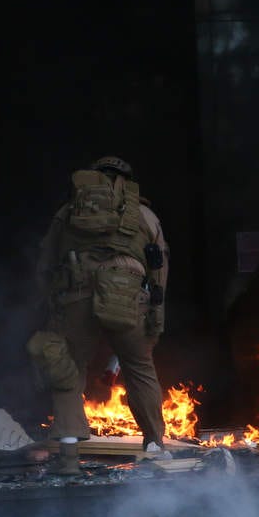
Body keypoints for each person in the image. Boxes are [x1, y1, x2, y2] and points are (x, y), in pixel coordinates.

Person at [26, 157, 169, 476]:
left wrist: (51, 302)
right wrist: (155, 319)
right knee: (140, 368)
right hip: (130, 297)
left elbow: (45, 263)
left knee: (68, 369)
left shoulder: (68, 214)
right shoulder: (145, 216)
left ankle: (68, 457)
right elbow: (159, 273)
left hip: (76, 295)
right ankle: (155, 447)